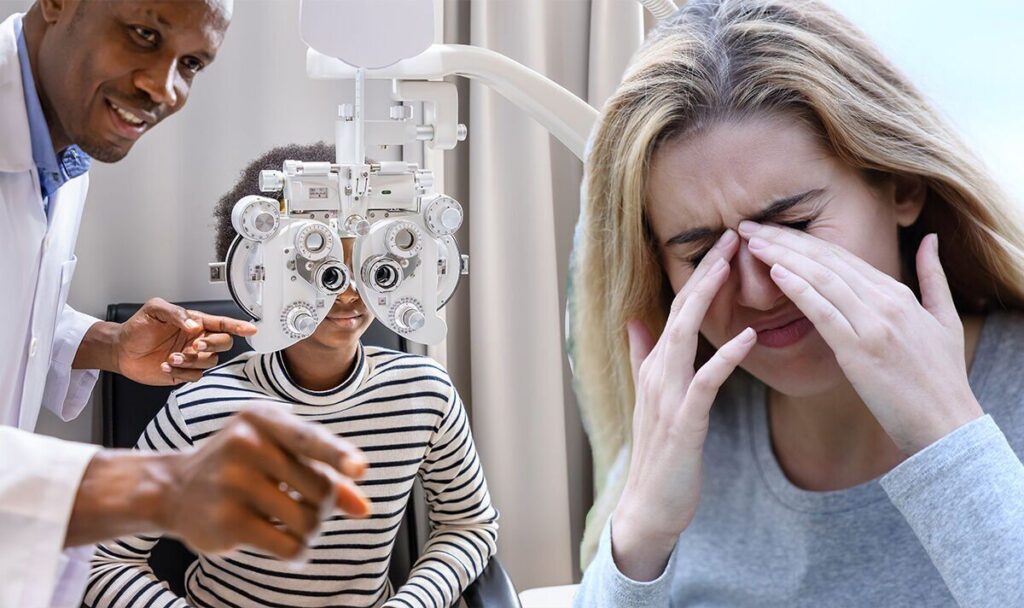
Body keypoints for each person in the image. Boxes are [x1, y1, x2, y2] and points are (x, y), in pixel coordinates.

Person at [571, 0, 1024, 605]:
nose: (756, 291)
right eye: (704, 255)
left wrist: (947, 437)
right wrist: (642, 531)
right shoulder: (689, 431)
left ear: (903, 187)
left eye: (793, 227)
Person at [0, 3, 371, 606]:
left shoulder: (65, 155)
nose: (163, 88)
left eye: (192, 64)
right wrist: (159, 488)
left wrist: (108, 345)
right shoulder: (209, 409)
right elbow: (114, 563)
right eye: (143, 34)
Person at [84, 143, 499, 608]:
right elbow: (106, 556)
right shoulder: (202, 403)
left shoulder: (426, 394)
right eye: (318, 270)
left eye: (366, 266)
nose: (345, 292)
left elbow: (469, 526)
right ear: (260, 273)